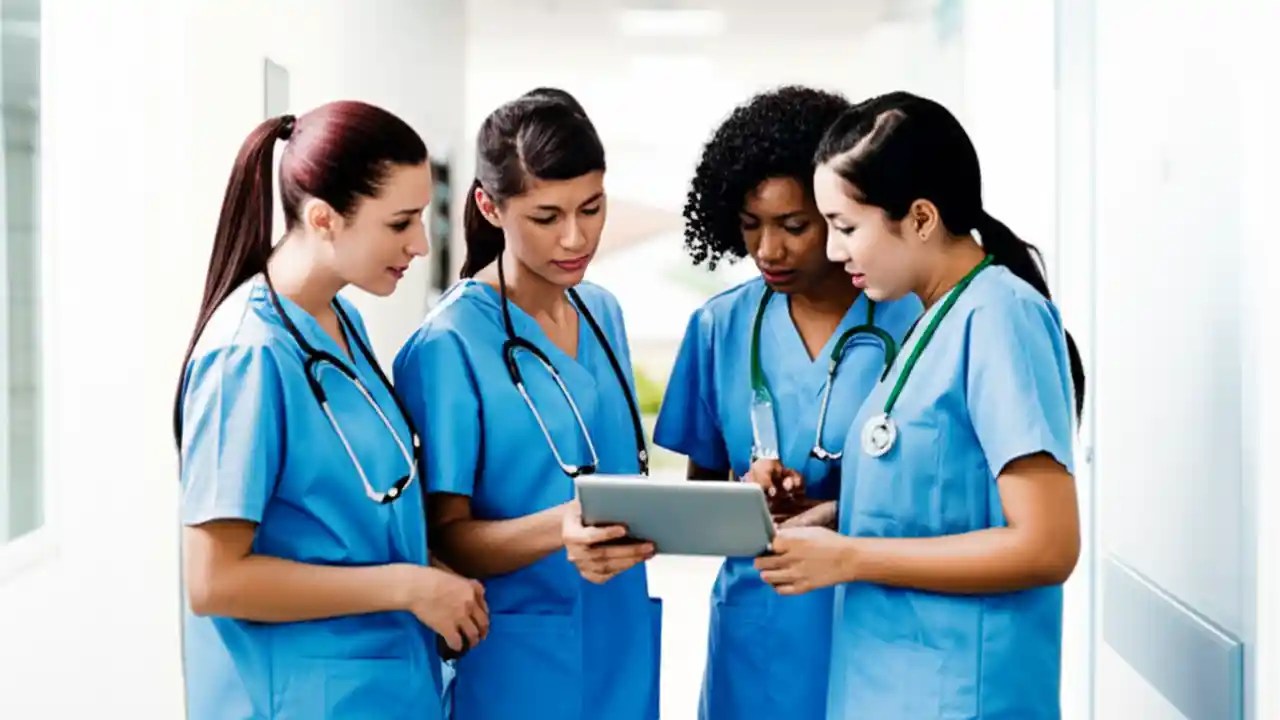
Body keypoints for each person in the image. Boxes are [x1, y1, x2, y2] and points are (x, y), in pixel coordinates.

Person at [755, 91, 1086, 719]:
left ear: (923, 217)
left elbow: (1047, 544)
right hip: (893, 681)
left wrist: (852, 556)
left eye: (847, 227)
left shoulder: (1000, 317)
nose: (832, 250)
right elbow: (942, 500)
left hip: (960, 691)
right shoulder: (937, 320)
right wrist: (836, 519)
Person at [174, 101, 488, 720]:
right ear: (323, 218)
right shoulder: (249, 355)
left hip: (380, 691)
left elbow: (342, 517)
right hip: (296, 699)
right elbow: (215, 582)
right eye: (400, 223)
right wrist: (408, 586)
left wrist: (429, 571)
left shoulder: (339, 321)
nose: (421, 244)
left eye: (422, 218)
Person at [653, 86, 922, 720]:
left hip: (878, 613)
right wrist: (743, 493)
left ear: (837, 213)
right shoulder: (720, 327)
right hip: (761, 629)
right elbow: (701, 504)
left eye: (793, 226)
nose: (767, 249)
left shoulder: (915, 318)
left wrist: (838, 508)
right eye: (750, 226)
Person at [393, 89, 661, 720]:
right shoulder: (449, 342)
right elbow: (442, 540)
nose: (576, 237)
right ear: (490, 206)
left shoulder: (603, 314)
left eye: (591, 208)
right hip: (517, 662)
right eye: (546, 217)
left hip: (620, 645)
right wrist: (563, 526)